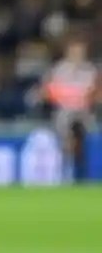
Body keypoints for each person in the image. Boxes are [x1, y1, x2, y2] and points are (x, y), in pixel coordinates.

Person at [41, 39, 98, 181]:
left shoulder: (90, 71)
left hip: (84, 113)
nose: (77, 55)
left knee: (87, 133)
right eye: (74, 52)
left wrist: (87, 98)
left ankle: (83, 170)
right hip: (64, 112)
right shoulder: (59, 70)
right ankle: (65, 169)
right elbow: (47, 92)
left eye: (80, 52)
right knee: (65, 126)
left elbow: (95, 93)